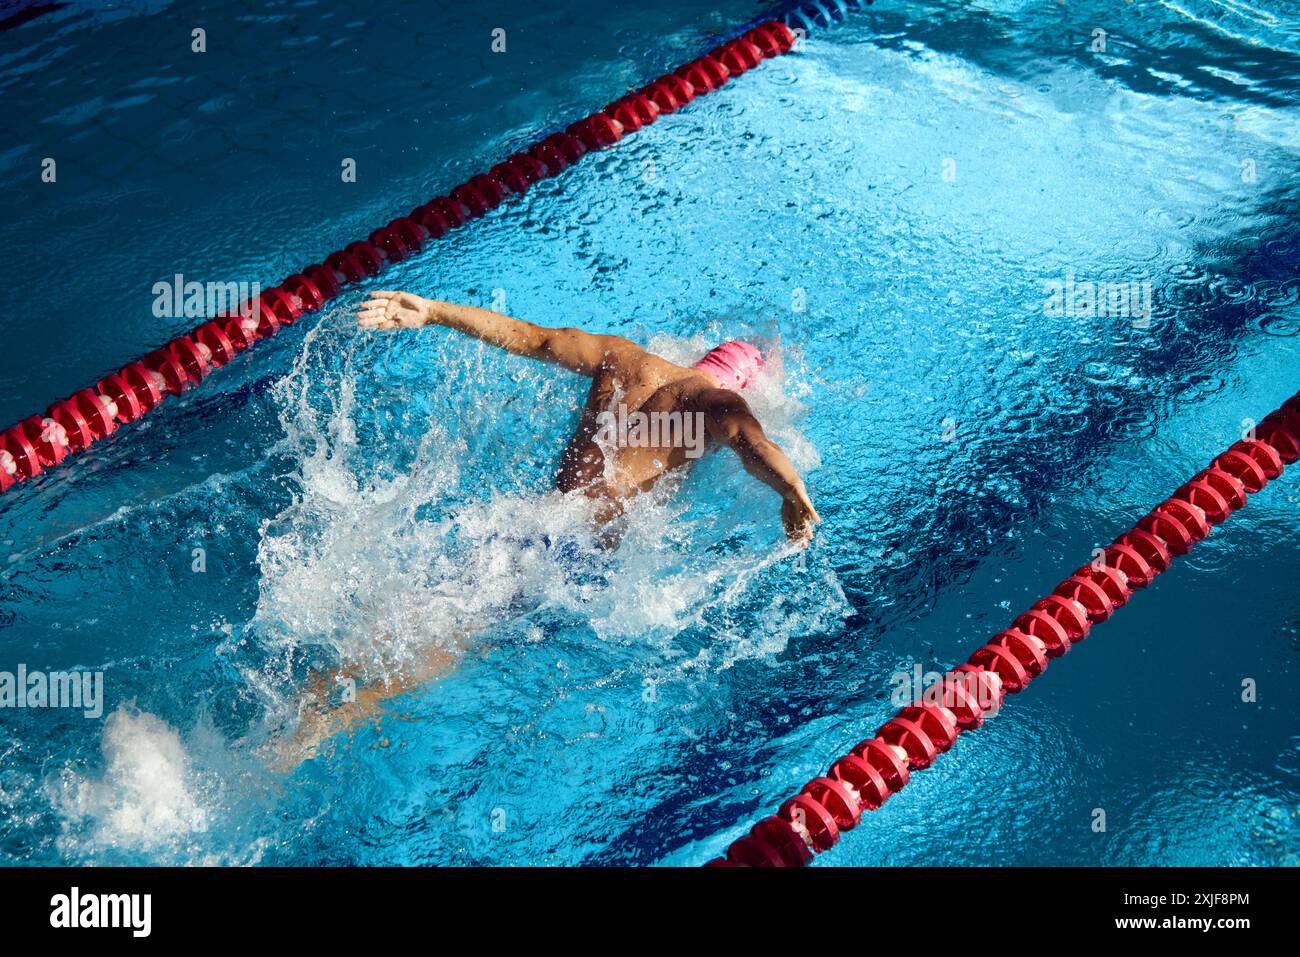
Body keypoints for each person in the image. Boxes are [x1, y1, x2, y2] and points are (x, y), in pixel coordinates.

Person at [355, 290, 821, 542]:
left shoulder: (623, 357)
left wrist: (434, 312)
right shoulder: (717, 406)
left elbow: (532, 337)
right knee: (447, 647)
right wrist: (791, 488)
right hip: (577, 554)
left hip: (530, 520)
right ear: (737, 386)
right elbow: (756, 444)